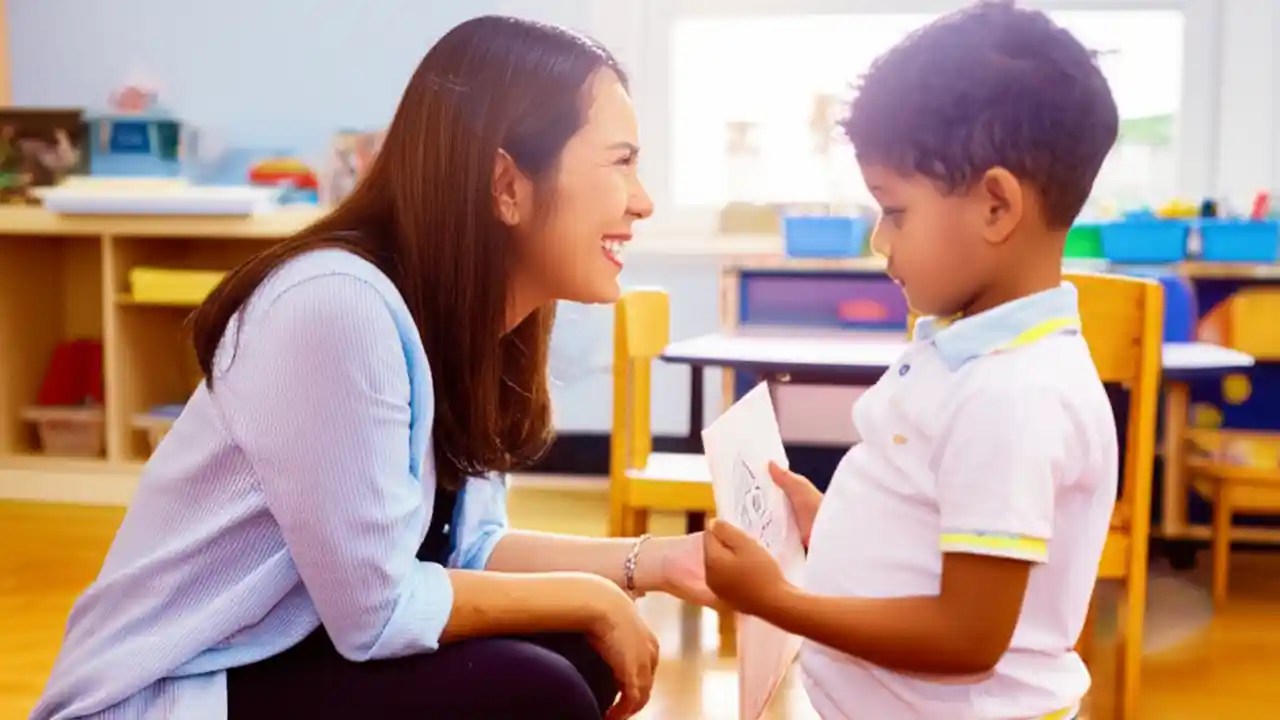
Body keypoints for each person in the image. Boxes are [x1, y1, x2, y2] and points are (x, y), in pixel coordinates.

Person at [32, 16, 713, 720]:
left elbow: (468, 550)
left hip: (291, 658)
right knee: (541, 686)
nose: (643, 200)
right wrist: (596, 597)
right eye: (621, 161)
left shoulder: (467, 322)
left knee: (576, 653)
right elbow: (379, 611)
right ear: (507, 182)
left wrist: (660, 561)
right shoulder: (337, 304)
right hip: (174, 693)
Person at [702, 3, 1120, 719]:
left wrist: (781, 603)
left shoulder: (1012, 396)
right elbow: (943, 526)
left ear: (996, 207)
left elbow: (966, 636)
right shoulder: (971, 353)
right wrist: (828, 521)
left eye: (895, 211)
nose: (878, 238)